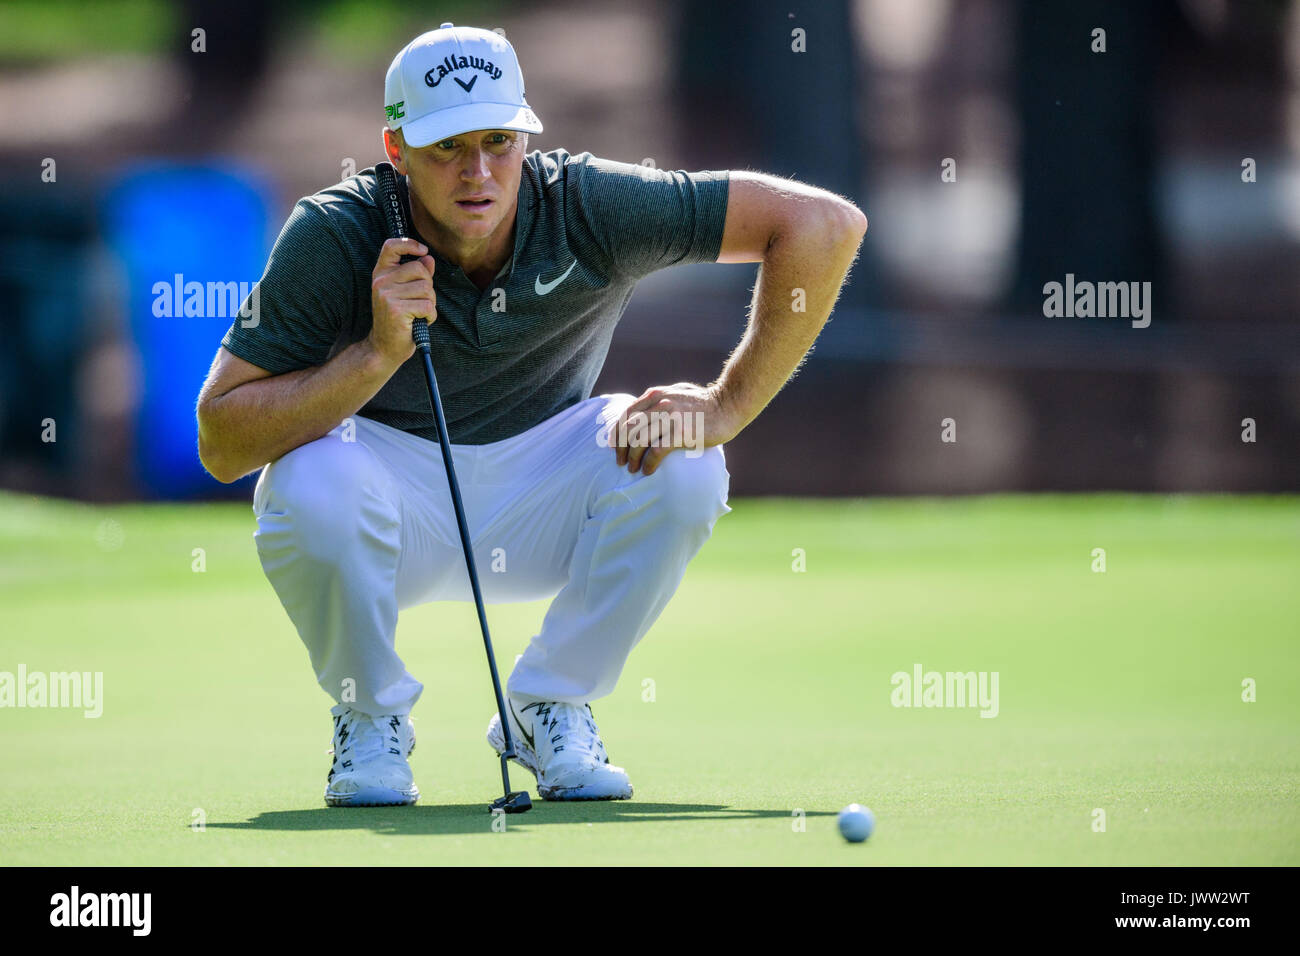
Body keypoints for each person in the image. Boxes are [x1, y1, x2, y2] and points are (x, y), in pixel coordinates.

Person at [196, 23, 866, 807]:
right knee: (309, 481)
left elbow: (824, 226)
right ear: (396, 146)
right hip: (388, 500)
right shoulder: (336, 233)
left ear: (524, 136)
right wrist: (373, 356)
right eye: (447, 147)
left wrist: (727, 406)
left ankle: (549, 702)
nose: (478, 172)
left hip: (543, 494)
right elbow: (221, 441)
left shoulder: (586, 204)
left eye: (498, 141)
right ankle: (370, 716)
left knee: (684, 455)